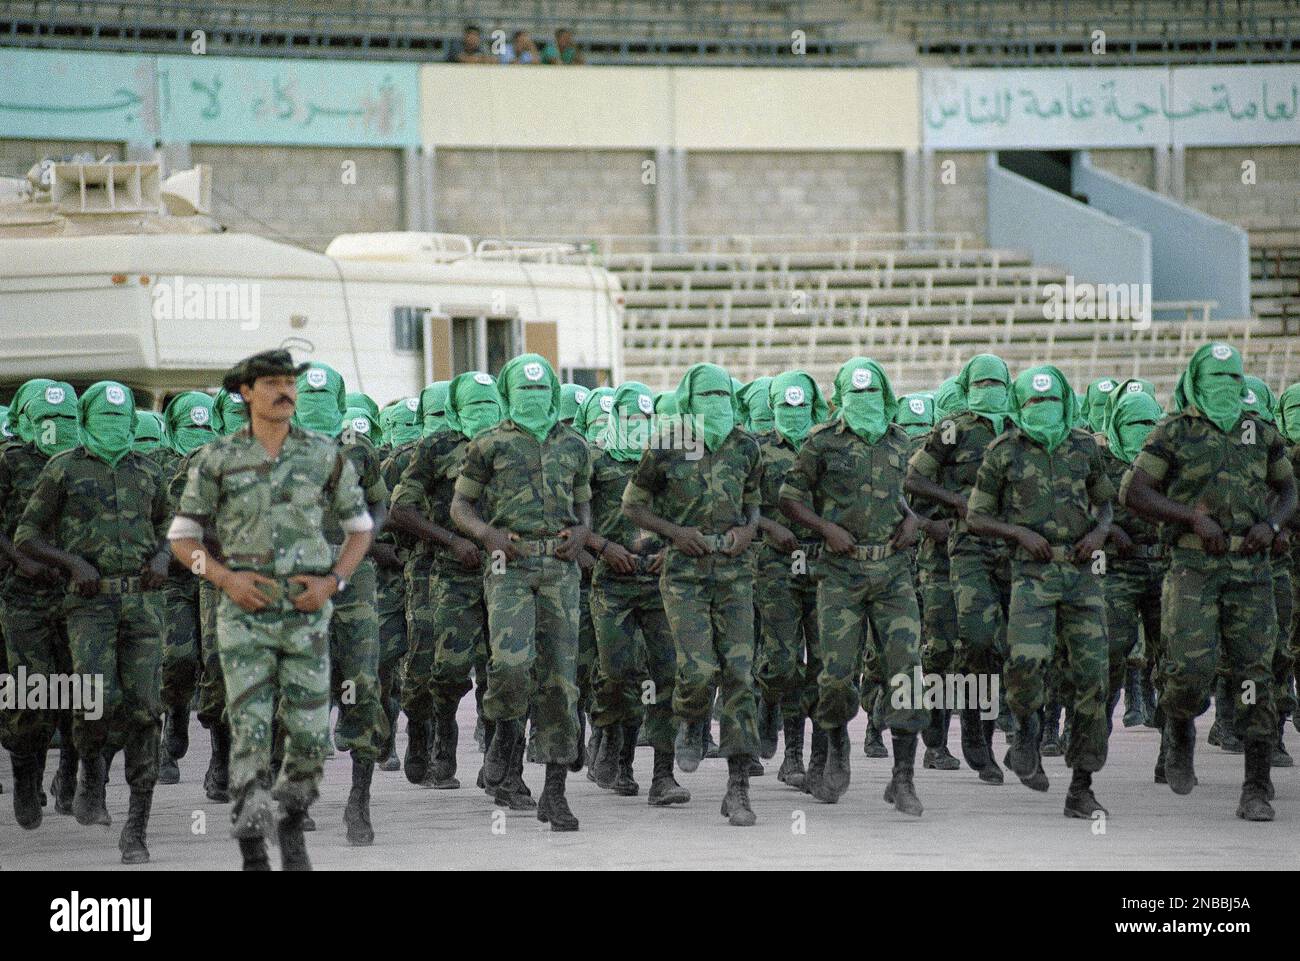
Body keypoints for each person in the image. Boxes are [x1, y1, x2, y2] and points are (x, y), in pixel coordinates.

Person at [168, 350, 374, 870]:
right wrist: (223, 578)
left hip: (306, 615)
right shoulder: (215, 459)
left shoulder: (325, 456)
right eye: (272, 383)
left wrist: (333, 580)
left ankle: (291, 818)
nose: (285, 391)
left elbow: (360, 529)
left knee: (307, 735)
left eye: (290, 383)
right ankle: (253, 844)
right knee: (253, 731)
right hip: (244, 615)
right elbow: (182, 539)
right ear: (246, 392)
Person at [1122, 343, 1296, 821]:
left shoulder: (1259, 433)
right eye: (1216, 377)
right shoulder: (1175, 432)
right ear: (1197, 381)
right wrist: (1190, 519)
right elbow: (1134, 491)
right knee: (1189, 671)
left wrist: (1275, 525)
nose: (1226, 386)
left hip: (1252, 572)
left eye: (1233, 377)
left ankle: (1256, 787)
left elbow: (1289, 489)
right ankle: (1179, 730)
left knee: (1255, 675)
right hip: (1193, 569)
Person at [16, 381, 172, 863]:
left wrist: (166, 556)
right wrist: (71, 564)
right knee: (95, 699)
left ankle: (137, 827)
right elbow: (26, 536)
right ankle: (90, 772)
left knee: (146, 708)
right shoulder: (62, 470)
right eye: (104, 419)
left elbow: (173, 529)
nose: (114, 428)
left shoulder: (149, 470)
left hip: (143, 606)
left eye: (121, 420)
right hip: (89, 607)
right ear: (86, 421)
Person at [450, 354, 592, 831]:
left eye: (541, 389)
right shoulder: (489, 443)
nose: (534, 397)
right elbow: (460, 505)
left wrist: (582, 534)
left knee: (560, 681)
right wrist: (486, 535)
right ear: (510, 393)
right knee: (511, 667)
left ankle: (555, 791)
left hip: (560, 569)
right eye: (525, 389)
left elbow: (584, 506)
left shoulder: (574, 443)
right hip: (508, 565)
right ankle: (503, 742)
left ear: (553, 391)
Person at [779, 358, 926, 814]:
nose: (864, 401)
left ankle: (903, 778)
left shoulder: (901, 440)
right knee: (836, 674)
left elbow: (903, 492)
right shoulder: (821, 443)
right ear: (841, 397)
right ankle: (836, 744)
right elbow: (789, 497)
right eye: (855, 393)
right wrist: (825, 528)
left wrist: (914, 519)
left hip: (893, 574)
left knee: (907, 672)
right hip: (841, 575)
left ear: (884, 394)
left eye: (871, 392)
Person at [965, 366, 1114, 817]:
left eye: (1050, 402)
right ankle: (1025, 729)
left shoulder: (1087, 446)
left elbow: (1106, 501)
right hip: (1031, 574)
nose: (1042, 410)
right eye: (1033, 402)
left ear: (1065, 402)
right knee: (1026, 662)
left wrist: (1101, 533)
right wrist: (1017, 533)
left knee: (1092, 677)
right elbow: (976, 516)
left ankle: (1082, 786)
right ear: (1019, 405)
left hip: (1081, 577)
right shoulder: (1003, 451)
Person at [622, 362, 763, 826]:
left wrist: (749, 530)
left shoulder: (745, 445)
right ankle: (690, 719)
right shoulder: (669, 442)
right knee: (698, 669)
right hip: (684, 573)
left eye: (723, 395)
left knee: (740, 675)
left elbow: (754, 502)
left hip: (736, 574)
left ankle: (738, 788)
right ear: (689, 399)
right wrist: (674, 533)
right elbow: (634, 505)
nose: (716, 404)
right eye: (707, 396)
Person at [389, 372, 506, 796]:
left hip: (503, 572)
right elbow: (400, 510)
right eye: (474, 405)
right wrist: (452, 540)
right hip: (443, 570)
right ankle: (433, 734)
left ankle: (496, 757)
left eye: (489, 403)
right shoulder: (436, 447)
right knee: (443, 667)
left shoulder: (509, 443)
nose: (483, 413)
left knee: (502, 667)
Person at [905, 353, 1014, 784]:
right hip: (940, 558)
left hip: (997, 556)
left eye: (996, 383)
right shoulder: (945, 435)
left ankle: (979, 736)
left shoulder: (1014, 432)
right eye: (980, 384)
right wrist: (940, 519)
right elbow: (909, 494)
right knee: (942, 648)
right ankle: (936, 740)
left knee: (986, 646)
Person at [297, 364, 391, 847]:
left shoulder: (358, 451)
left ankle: (359, 800)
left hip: (352, 585)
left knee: (361, 684)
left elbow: (381, 506)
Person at [585, 381, 687, 803]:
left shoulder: (667, 461)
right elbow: (575, 519)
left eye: (646, 419)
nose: (638, 426)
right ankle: (617, 752)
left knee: (667, 674)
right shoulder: (594, 459)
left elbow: (687, 513)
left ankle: (663, 774)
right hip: (612, 584)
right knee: (617, 674)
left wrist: (673, 550)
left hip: (659, 583)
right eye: (630, 418)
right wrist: (603, 550)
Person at [0, 380, 80, 827]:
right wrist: (22, 562)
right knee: (31, 694)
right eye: (49, 418)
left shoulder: (80, 463)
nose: (57, 427)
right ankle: (26, 778)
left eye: (67, 418)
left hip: (77, 597)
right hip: (23, 596)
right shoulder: (8, 460)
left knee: (80, 692)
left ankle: (68, 775)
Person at [752, 371, 828, 790]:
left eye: (800, 407)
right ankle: (769, 700)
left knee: (823, 664)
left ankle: (803, 758)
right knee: (782, 663)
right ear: (773, 408)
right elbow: (741, 504)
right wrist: (768, 527)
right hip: (776, 567)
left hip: (823, 567)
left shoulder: (827, 447)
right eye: (785, 406)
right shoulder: (759, 450)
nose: (793, 415)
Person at [156, 391, 216, 786]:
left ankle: (220, 760)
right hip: (176, 580)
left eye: (205, 426)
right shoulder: (155, 462)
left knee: (219, 664)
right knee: (179, 658)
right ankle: (175, 713)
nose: (199, 434)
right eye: (190, 427)